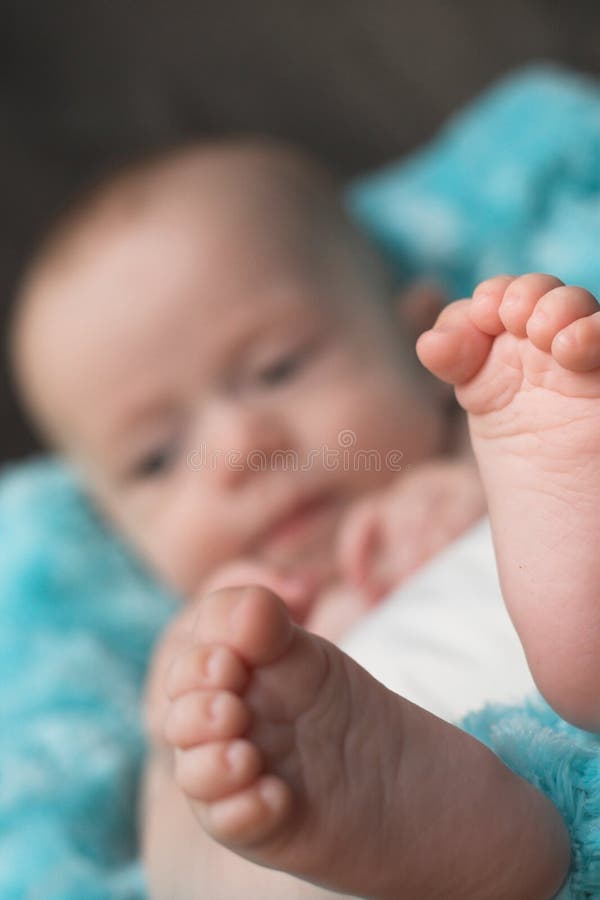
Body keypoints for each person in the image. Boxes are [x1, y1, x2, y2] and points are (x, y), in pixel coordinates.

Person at [9, 140, 569, 898]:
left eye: (277, 369)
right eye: (157, 460)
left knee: (559, 531)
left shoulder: (491, 467)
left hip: (551, 722)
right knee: (204, 792)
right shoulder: (198, 660)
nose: (239, 450)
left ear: (418, 337)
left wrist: (482, 485)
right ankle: (395, 829)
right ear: (118, 533)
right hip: (359, 844)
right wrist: (207, 711)